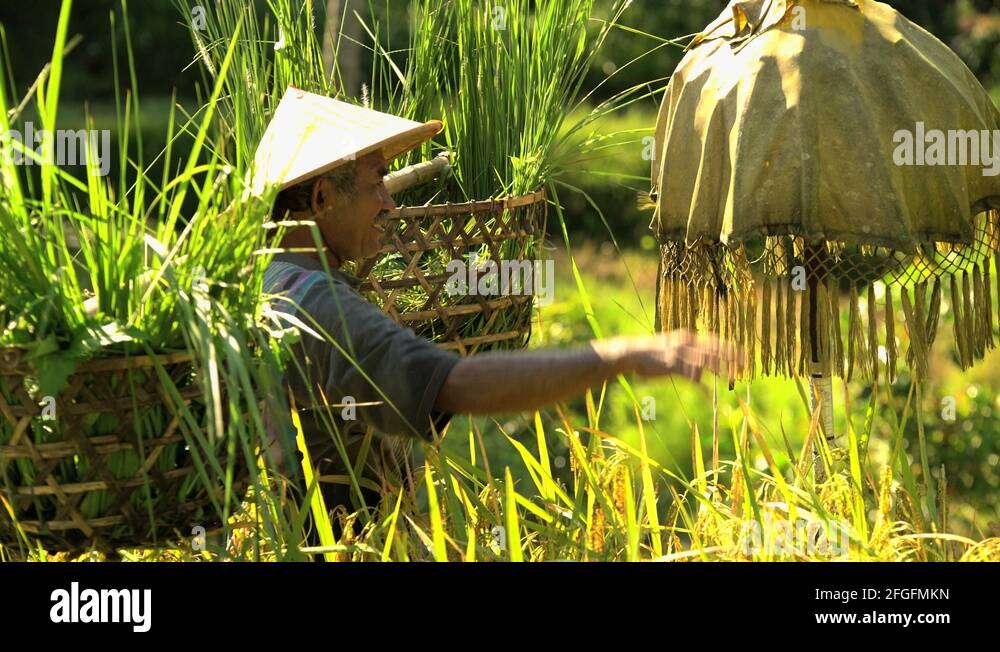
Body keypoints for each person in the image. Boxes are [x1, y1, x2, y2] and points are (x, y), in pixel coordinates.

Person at [253, 87, 732, 543]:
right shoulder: (318, 306)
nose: (389, 202)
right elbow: (456, 385)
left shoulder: (264, 276)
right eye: (376, 182)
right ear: (321, 199)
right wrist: (619, 356)